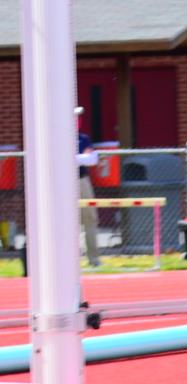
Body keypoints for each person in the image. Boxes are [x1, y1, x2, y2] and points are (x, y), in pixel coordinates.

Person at [75, 108, 101, 268]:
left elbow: (91, 159)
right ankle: (69, 262)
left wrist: (74, 158)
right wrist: (80, 158)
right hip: (63, 183)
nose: (77, 120)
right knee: (66, 222)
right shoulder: (56, 137)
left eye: (78, 118)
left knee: (90, 219)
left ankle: (94, 260)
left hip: (82, 180)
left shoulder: (83, 139)